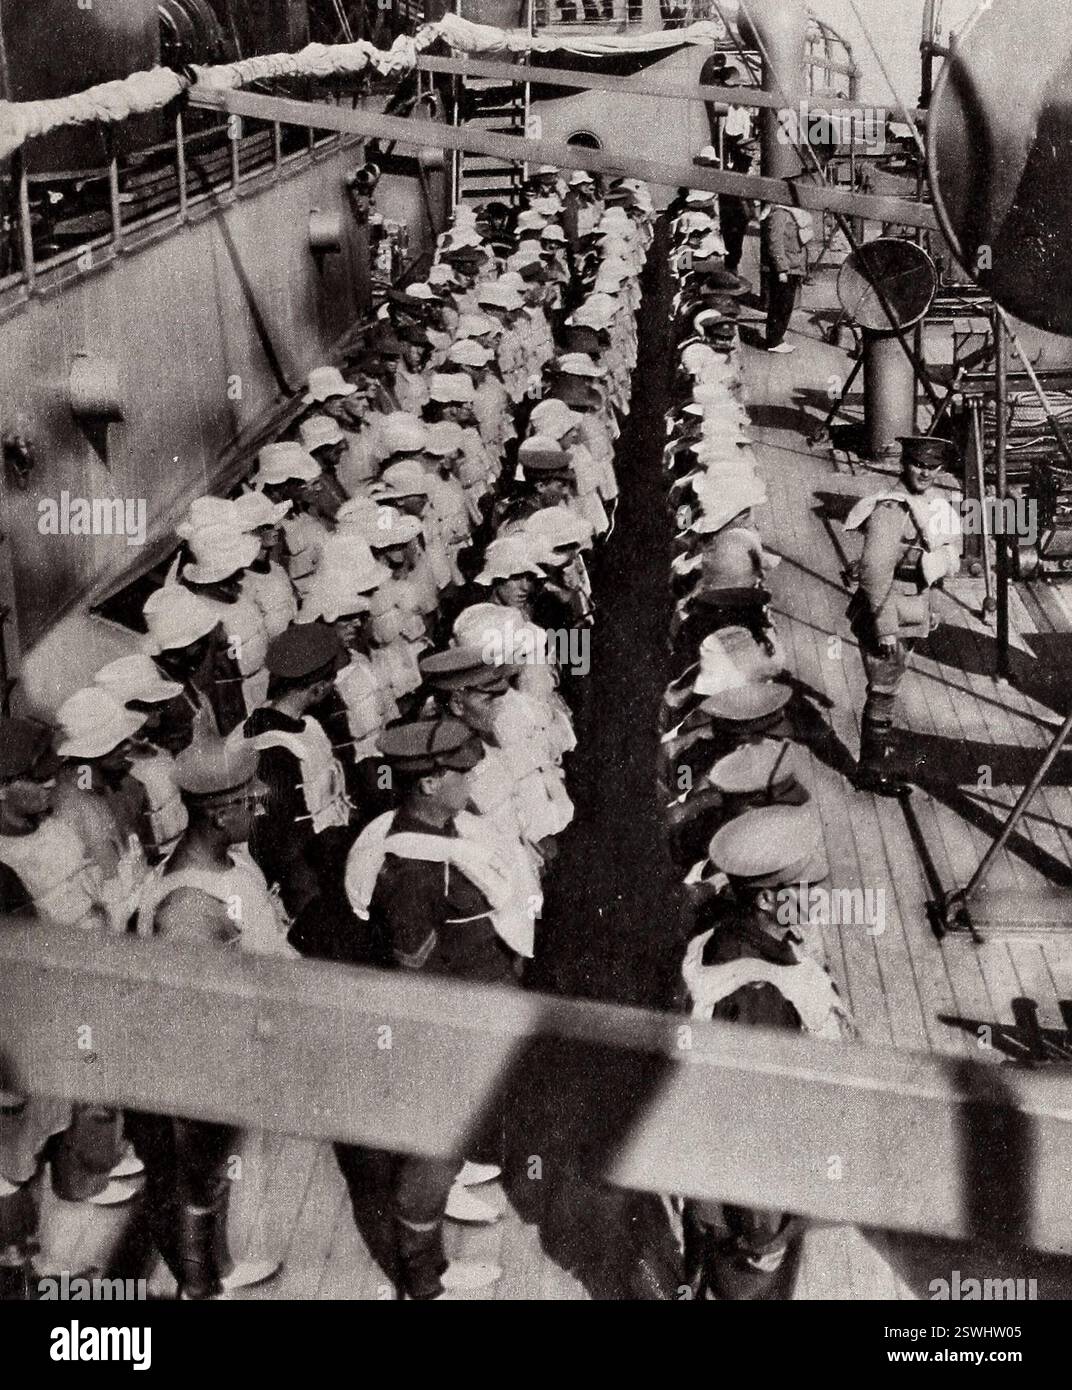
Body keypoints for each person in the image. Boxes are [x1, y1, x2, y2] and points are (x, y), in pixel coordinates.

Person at [344, 717, 525, 1299]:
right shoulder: (417, 871)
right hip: (446, 1033)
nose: (471, 778)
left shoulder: (443, 834)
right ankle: (424, 1283)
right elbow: (415, 976)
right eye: (461, 771)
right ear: (427, 783)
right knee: (429, 1163)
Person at [130, 705, 288, 1299]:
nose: (261, 806)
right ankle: (202, 1290)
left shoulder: (230, 862)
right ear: (221, 813)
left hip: (231, 1056)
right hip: (194, 1070)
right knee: (193, 1185)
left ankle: (215, 1268)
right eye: (251, 801)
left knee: (215, 1173)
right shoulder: (189, 910)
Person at [681, 804, 852, 1299]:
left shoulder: (726, 934)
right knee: (752, 1287)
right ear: (766, 900)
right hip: (757, 1194)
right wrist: (764, 1231)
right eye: (805, 890)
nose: (817, 897)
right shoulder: (760, 994)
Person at [0, 718, 141, 1298]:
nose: (53, 785)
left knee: (38, 1153)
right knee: (8, 1173)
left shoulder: (51, 833)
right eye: (37, 778)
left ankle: (28, 1270)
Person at [843, 435, 962, 794]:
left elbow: (929, 563)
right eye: (918, 465)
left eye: (933, 467)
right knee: (882, 690)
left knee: (887, 689)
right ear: (903, 464)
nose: (925, 472)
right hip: (888, 614)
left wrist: (930, 609)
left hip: (909, 606)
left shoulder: (924, 503)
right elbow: (876, 572)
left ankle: (872, 763)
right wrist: (886, 629)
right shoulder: (892, 509)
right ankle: (871, 771)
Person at [762, 204, 812, 354]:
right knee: (781, 306)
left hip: (793, 266)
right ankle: (774, 340)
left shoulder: (791, 213)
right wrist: (781, 269)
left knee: (786, 305)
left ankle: (777, 339)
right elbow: (774, 243)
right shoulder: (779, 214)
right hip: (785, 268)